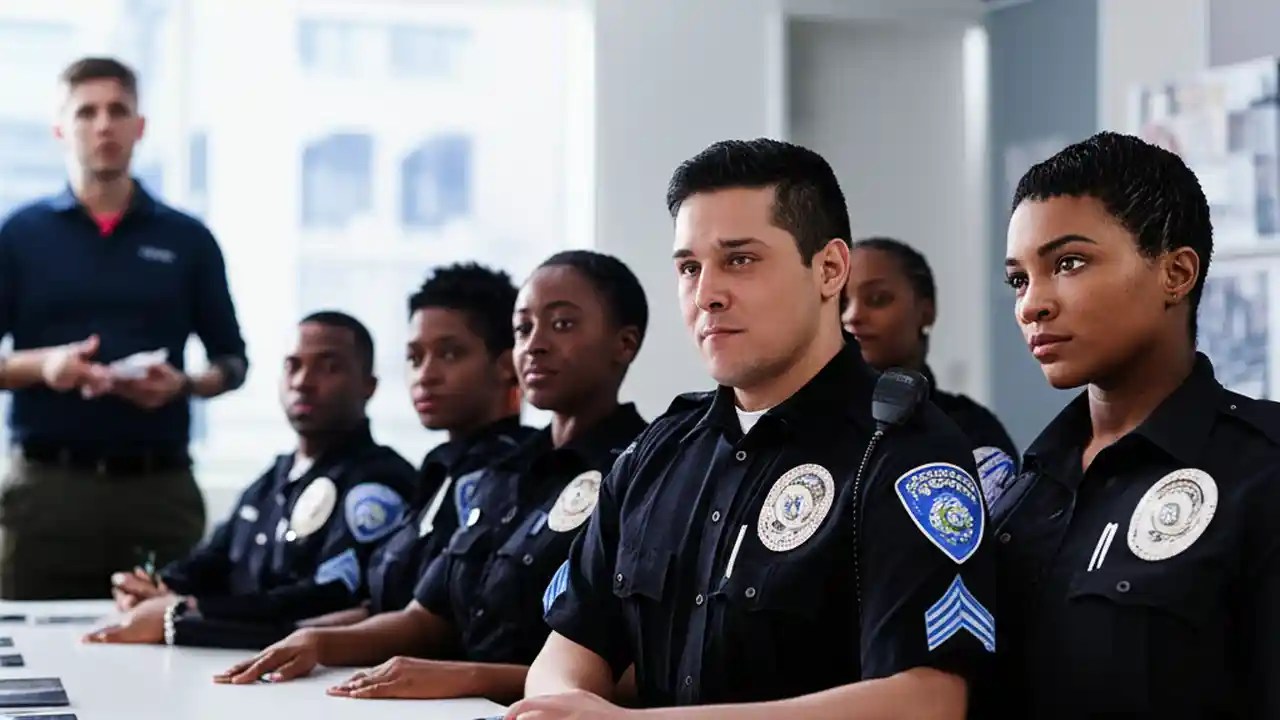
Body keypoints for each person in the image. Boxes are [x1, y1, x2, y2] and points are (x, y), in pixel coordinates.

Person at [508, 139, 994, 719]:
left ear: (830, 269)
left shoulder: (902, 449)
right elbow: (565, 656)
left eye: (739, 260)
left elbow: (927, 701)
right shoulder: (657, 455)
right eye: (690, 267)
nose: (706, 294)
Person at [215, 250, 649, 704]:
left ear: (624, 343)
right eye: (523, 329)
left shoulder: (645, 471)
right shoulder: (500, 472)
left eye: (561, 325)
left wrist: (470, 676)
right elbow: (426, 617)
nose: (534, 344)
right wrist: (316, 642)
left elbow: (639, 673)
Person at [987, 131, 1280, 718]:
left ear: (1175, 273)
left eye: (1068, 263)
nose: (1031, 305)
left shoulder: (1261, 472)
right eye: (1019, 278)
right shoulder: (1027, 488)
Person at [0, 57, 247, 599]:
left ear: (141, 127)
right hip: (47, 495)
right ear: (61, 128)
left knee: (169, 654)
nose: (104, 125)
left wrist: (182, 384)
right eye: (87, 112)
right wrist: (46, 366)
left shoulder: (188, 240)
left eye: (118, 110)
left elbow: (232, 362)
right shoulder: (17, 235)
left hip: (158, 494)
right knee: (34, 662)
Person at [84, 312, 415, 648]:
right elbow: (213, 559)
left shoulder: (378, 483)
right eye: (292, 366)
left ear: (368, 386)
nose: (303, 381)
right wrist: (158, 588)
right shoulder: (275, 477)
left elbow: (333, 597)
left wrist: (187, 609)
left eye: (328, 367)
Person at [365, 263, 537, 617]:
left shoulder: (521, 471)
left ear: (508, 364)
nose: (424, 375)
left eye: (449, 354)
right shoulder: (441, 469)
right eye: (415, 357)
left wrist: (317, 641)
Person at [842, 236, 1019, 501]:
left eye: (877, 299)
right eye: (840, 303)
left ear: (926, 311)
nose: (852, 316)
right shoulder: (804, 425)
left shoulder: (971, 432)